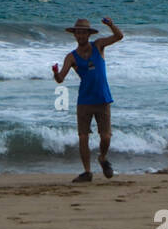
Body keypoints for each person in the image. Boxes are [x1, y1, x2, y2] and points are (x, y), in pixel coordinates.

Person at [52, 17, 123, 183]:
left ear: (88, 34)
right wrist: (55, 73)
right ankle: (87, 172)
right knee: (83, 137)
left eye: (83, 33)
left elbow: (119, 36)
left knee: (106, 137)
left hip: (103, 98)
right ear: (75, 35)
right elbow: (60, 79)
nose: (81, 35)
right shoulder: (71, 57)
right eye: (78, 33)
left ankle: (102, 157)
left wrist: (111, 25)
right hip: (84, 100)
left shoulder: (98, 46)